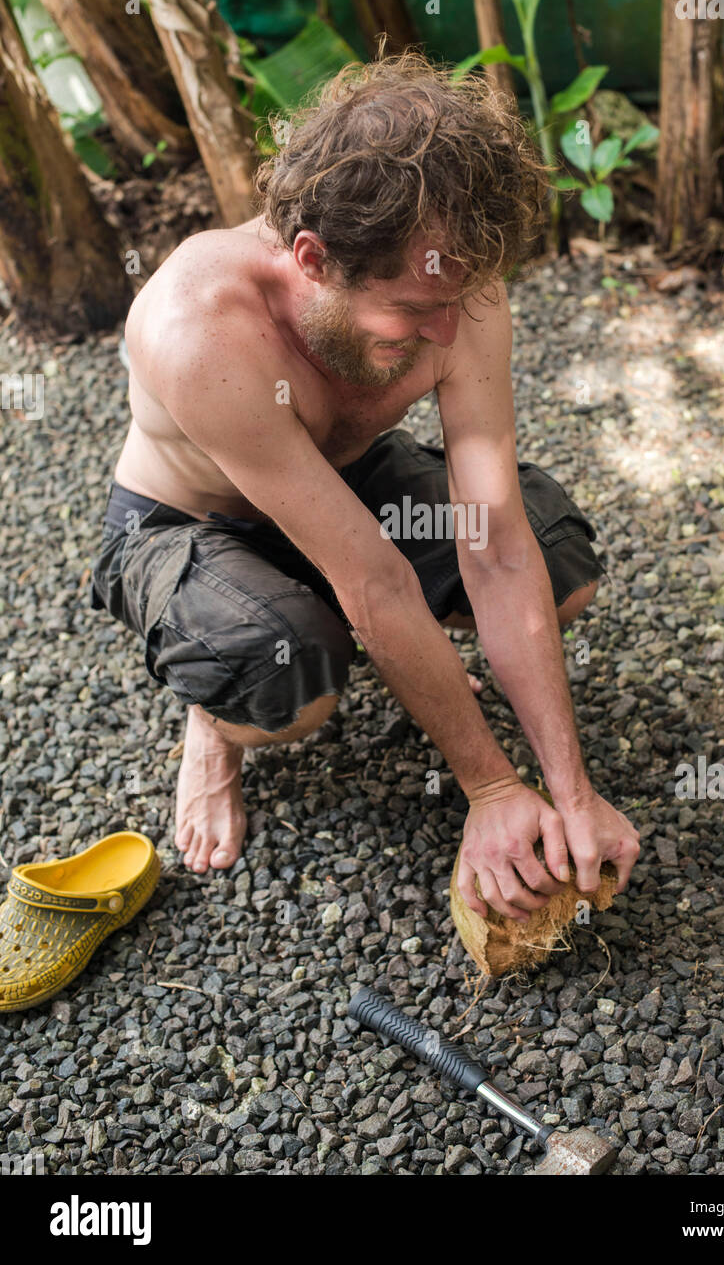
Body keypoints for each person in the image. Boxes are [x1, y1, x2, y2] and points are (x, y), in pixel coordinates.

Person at [89, 50, 640, 922]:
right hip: (190, 523)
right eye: (414, 314)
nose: (446, 333)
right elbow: (374, 582)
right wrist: (491, 787)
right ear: (311, 258)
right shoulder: (199, 328)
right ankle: (213, 720)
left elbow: (493, 543)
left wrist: (570, 790)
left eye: (456, 300)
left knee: (557, 558)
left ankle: (340, 640)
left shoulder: (454, 289)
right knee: (284, 671)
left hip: (340, 482)